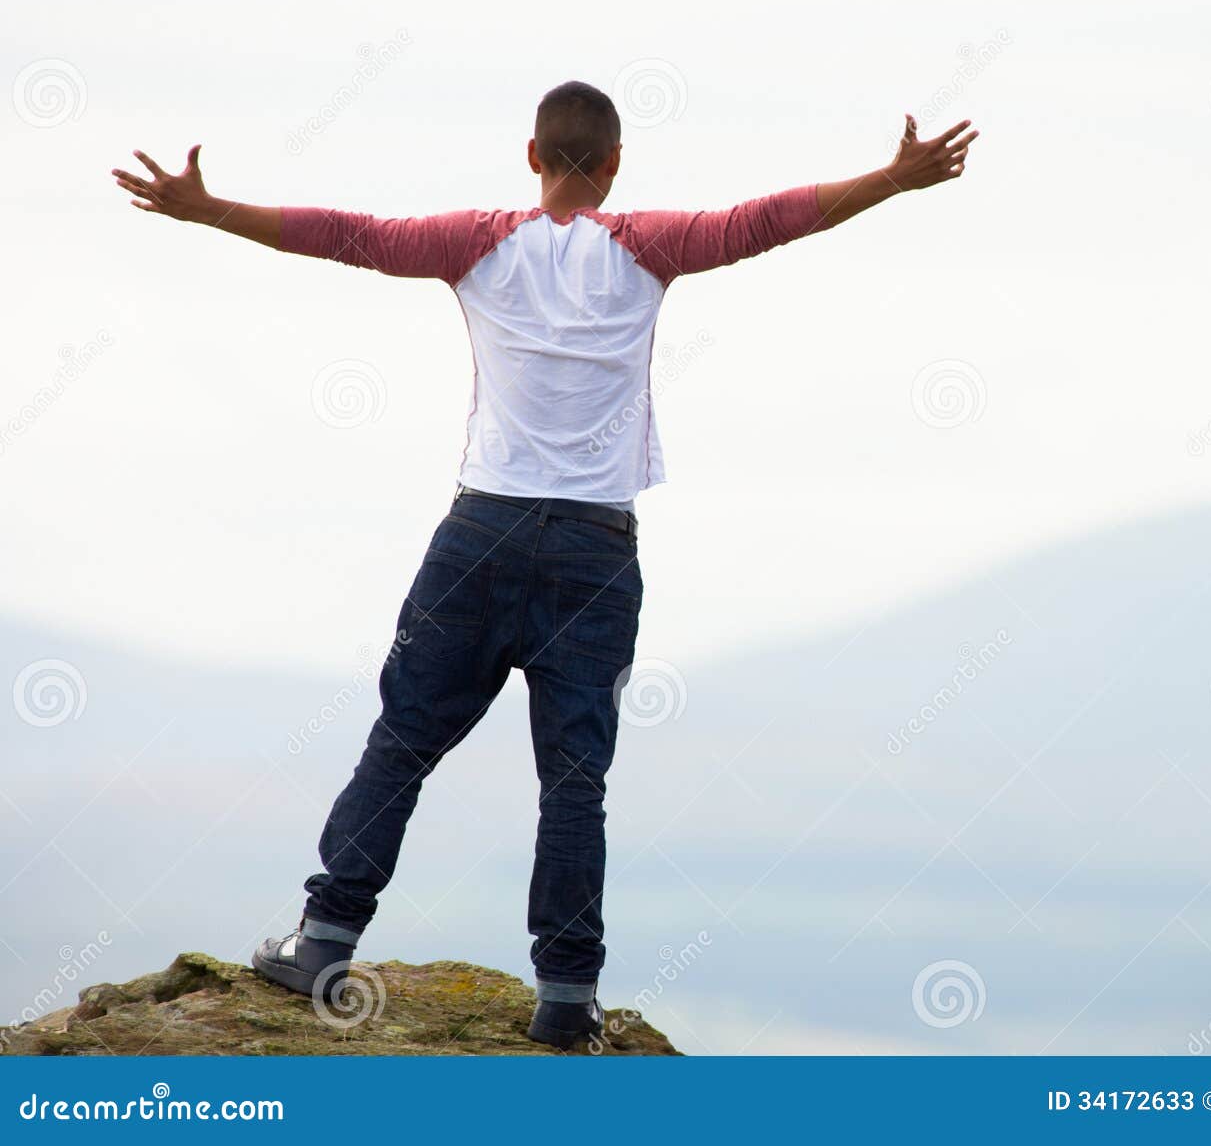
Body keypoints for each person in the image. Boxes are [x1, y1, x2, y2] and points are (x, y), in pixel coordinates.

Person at [111, 81, 978, 1049]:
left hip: (479, 534)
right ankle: (566, 996)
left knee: (403, 741)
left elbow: (348, 234)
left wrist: (209, 209)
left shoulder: (474, 243)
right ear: (614, 164)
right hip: (593, 551)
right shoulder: (649, 246)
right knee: (574, 780)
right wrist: (892, 179)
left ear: (531, 155)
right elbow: (763, 221)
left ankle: (323, 940)